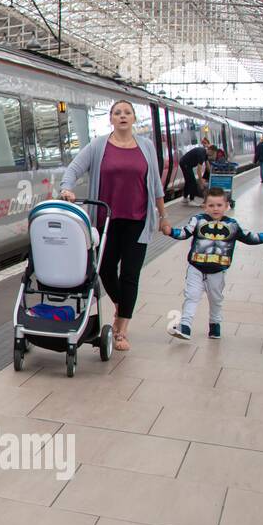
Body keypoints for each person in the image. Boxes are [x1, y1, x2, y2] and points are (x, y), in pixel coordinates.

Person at [60, 99, 171, 352]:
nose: (122, 116)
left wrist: (163, 215)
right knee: (106, 269)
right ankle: (123, 305)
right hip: (105, 221)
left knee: (131, 275)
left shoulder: (146, 147)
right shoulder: (99, 145)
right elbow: (74, 168)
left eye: (127, 113)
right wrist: (66, 187)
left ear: (134, 119)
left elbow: (155, 184)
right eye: (117, 112)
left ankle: (121, 329)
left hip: (138, 221)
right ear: (111, 118)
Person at [164, 186, 263, 339]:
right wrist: (170, 231)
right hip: (195, 267)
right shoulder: (197, 220)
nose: (215, 209)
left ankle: (215, 324)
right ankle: (185, 325)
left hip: (218, 271)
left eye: (219, 205)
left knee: (216, 299)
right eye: (211, 205)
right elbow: (184, 233)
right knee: (192, 295)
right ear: (204, 206)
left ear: (227, 206)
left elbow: (251, 238)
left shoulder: (233, 225)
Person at [179, 138, 212, 203]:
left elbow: (207, 166)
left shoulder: (205, 153)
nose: (213, 156)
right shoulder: (202, 154)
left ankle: (185, 198)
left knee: (188, 180)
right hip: (185, 164)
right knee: (193, 182)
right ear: (210, 151)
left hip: (187, 164)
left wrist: (212, 175)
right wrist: (201, 182)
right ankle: (192, 199)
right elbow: (199, 170)